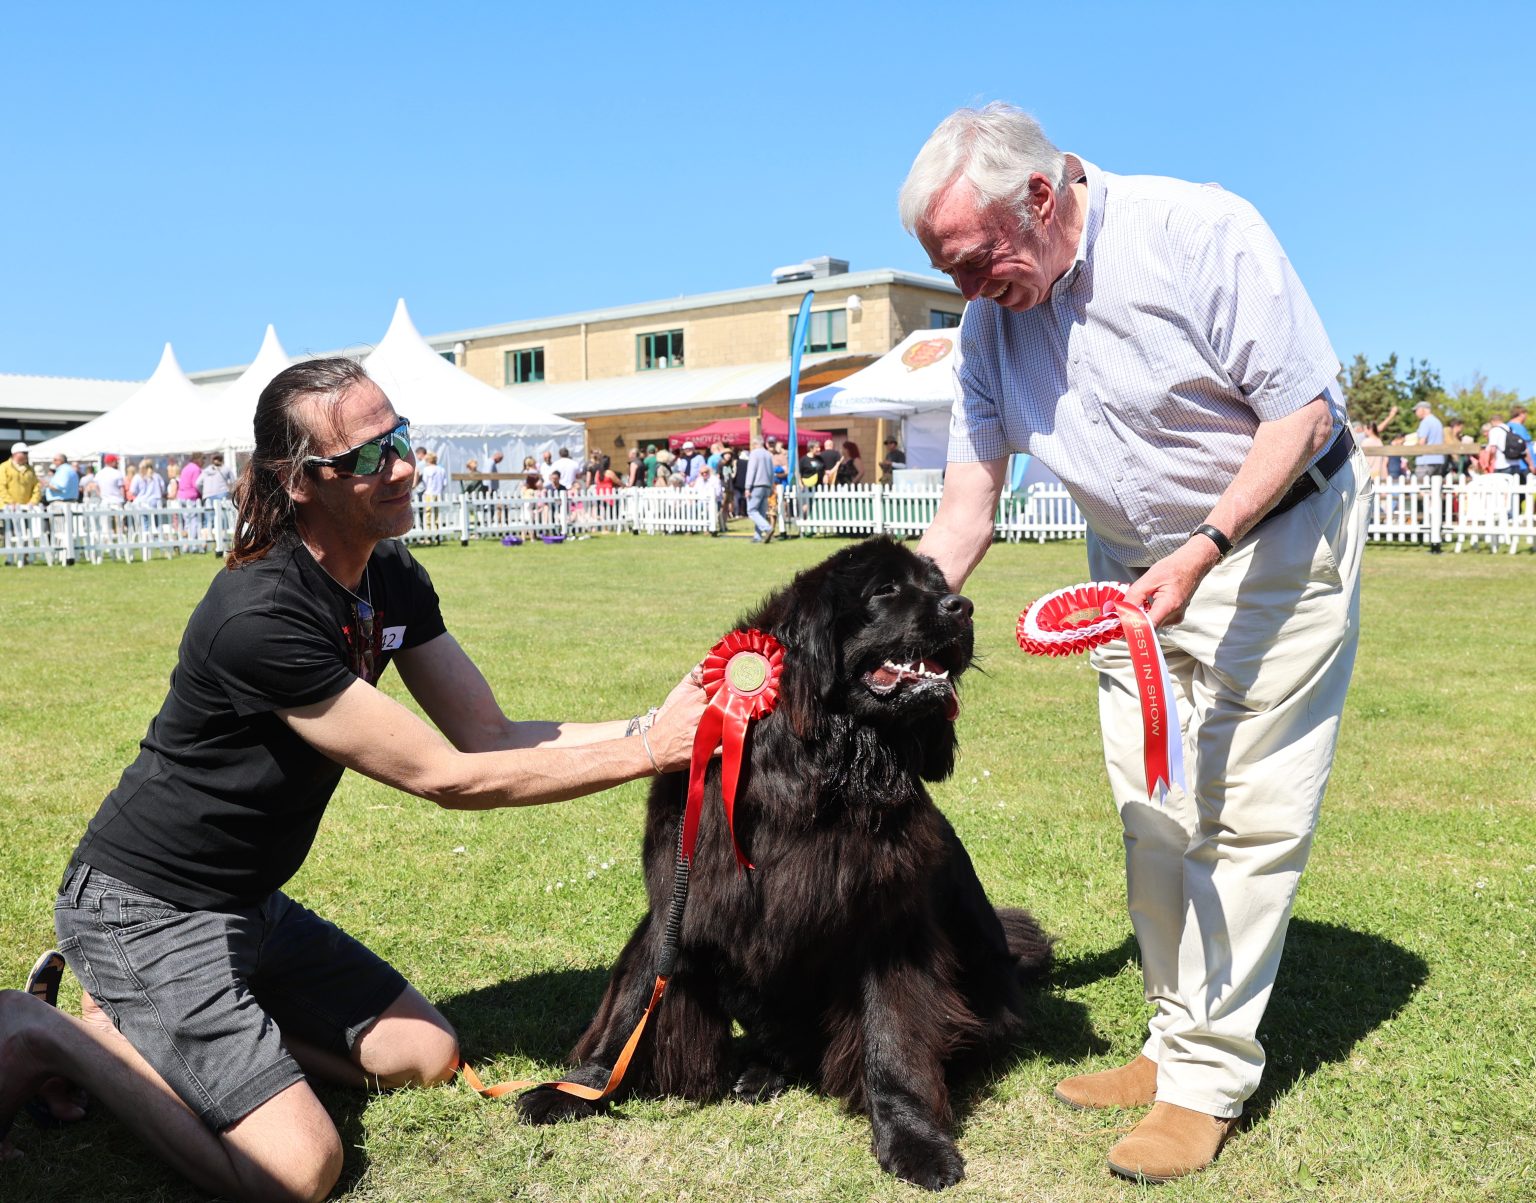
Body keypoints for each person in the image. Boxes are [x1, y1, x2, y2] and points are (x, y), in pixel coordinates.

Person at [0, 358, 707, 1199]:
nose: (405, 466)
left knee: (428, 1055)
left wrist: (657, 728)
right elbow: (448, 776)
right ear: (298, 483)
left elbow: (489, 733)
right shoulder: (260, 615)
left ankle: (144, 1025)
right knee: (297, 1169)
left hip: (248, 903)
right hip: (145, 908)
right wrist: (649, 753)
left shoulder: (389, 575)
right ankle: (39, 1031)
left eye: (401, 438)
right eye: (370, 456)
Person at [901, 102, 1367, 1182]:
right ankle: (1169, 1040)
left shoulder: (1200, 234)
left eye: (976, 263)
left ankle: (1208, 1081)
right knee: (1153, 807)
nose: (971, 293)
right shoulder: (987, 328)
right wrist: (874, 624)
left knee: (1245, 815)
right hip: (1127, 570)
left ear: (1042, 195)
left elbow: (1298, 412)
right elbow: (967, 509)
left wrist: (1206, 545)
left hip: (1272, 535)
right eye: (948, 270)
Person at [742, 436, 775, 543]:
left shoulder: (754, 454)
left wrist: (747, 487)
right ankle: (757, 536)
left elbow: (751, 471)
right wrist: (771, 486)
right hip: (766, 485)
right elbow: (771, 472)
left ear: (754, 444)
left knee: (751, 511)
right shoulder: (768, 454)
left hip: (756, 485)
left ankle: (768, 528)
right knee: (761, 512)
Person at [1411, 402, 1445, 479]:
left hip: (1425, 461)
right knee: (1435, 487)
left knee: (1421, 487)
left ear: (1423, 409)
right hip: (1438, 460)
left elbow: (1422, 442)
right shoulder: (1437, 422)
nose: (1416, 413)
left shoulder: (1425, 422)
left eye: (1417, 410)